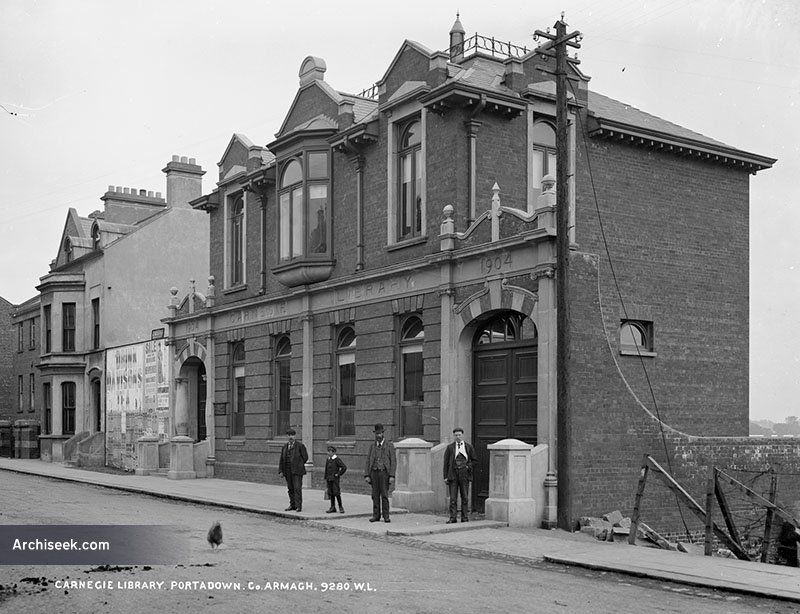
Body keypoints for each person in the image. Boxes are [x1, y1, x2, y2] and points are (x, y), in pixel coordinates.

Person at [443, 427, 476, 523]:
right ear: (453, 436)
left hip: (464, 475)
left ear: (463, 435)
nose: (458, 437)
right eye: (456, 435)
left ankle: (464, 517)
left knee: (465, 497)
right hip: (453, 475)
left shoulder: (468, 447)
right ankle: (452, 518)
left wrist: (467, 467)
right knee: (453, 498)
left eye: (459, 435)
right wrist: (445, 476)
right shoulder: (450, 447)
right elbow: (445, 463)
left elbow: (474, 461)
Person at [364, 423, 395, 523]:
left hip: (384, 473)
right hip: (374, 473)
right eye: (377, 434)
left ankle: (386, 516)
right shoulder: (372, 446)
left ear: (383, 433)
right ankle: (376, 515)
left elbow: (393, 461)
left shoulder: (389, 446)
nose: (378, 436)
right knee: (375, 495)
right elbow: (368, 460)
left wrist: (391, 475)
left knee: (385, 495)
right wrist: (367, 475)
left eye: (380, 433)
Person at [278, 428, 308, 512]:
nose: (291, 437)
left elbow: (305, 457)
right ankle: (292, 505)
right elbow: (281, 460)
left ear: (295, 436)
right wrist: (281, 471)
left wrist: (298, 464)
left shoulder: (300, 446)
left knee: (297, 488)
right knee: (290, 488)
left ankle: (298, 506)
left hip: (297, 471)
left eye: (292, 435)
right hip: (287, 471)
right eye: (289, 435)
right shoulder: (285, 447)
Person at [324, 445, 347, 514]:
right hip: (329, 479)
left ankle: (340, 506)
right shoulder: (328, 459)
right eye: (328, 451)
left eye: (329, 451)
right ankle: (332, 507)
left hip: (335, 479)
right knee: (331, 493)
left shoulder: (337, 459)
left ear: (333, 452)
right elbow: (326, 469)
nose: (328, 453)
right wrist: (326, 478)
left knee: (336, 493)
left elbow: (344, 467)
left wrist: (338, 474)